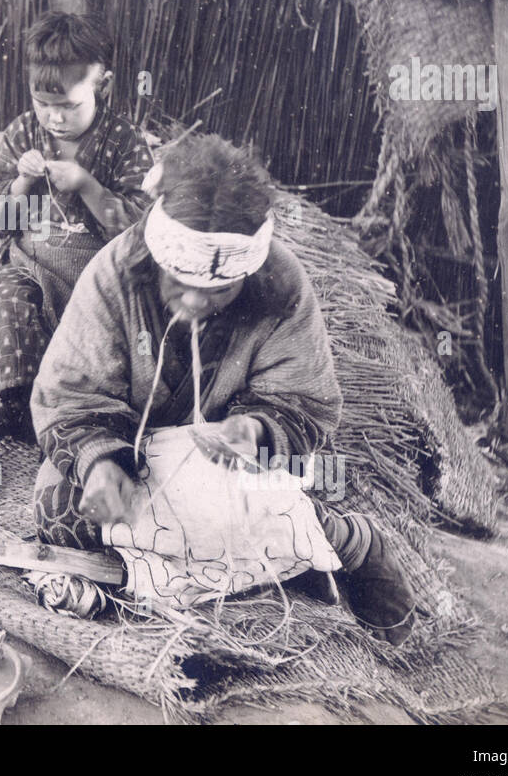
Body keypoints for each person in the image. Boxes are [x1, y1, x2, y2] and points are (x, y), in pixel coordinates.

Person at [28, 134, 417, 644]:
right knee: (55, 510)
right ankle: (275, 560)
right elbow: (71, 395)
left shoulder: (282, 283)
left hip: (235, 468)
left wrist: (254, 429)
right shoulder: (113, 273)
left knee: (281, 497)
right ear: (157, 256)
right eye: (179, 282)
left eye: (219, 291)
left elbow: (303, 400)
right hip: (134, 456)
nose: (194, 302)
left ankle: (349, 541)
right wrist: (100, 462)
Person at [0, 11, 154, 511]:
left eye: (69, 106)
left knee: (103, 352)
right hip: (30, 266)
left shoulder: (124, 142)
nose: (54, 118)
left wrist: (87, 185)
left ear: (105, 84)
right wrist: (22, 183)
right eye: (43, 103)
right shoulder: (22, 133)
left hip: (97, 280)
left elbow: (141, 229)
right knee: (8, 300)